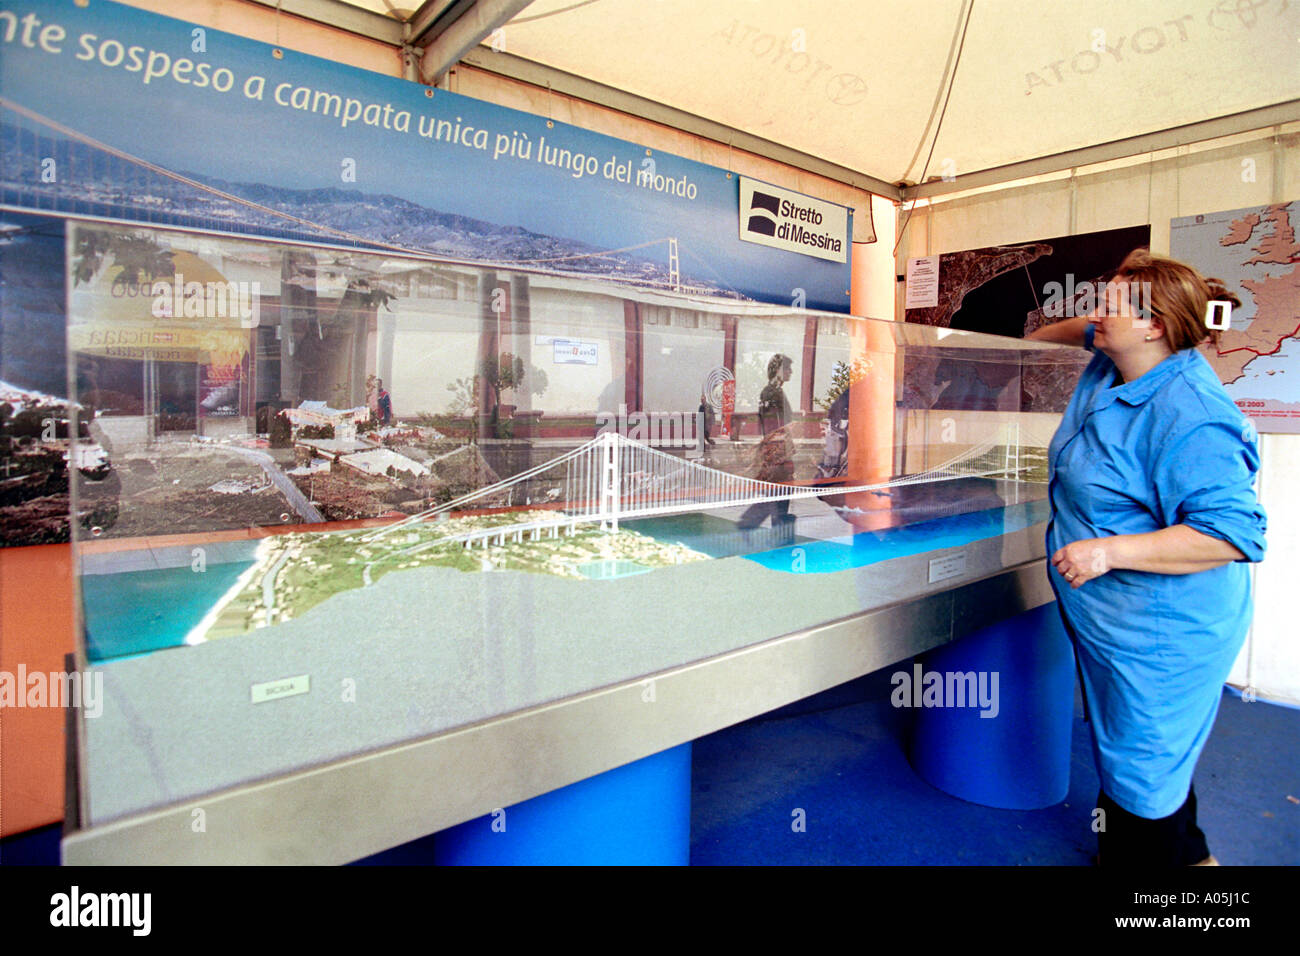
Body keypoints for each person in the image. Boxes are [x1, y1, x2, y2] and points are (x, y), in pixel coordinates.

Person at [1028, 249, 1266, 866]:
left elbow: (1231, 536)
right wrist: (1043, 339)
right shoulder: (1116, 359)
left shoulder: (1192, 414)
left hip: (1165, 629)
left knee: (1144, 767)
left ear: (1154, 325)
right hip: (1118, 622)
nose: (1094, 312)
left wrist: (1108, 551)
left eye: (1111, 304)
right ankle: (1182, 857)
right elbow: (1062, 332)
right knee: (1144, 756)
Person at [737, 353, 796, 527]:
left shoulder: (775, 391)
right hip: (777, 453)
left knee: (780, 497)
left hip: (779, 452)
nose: (790, 372)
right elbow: (772, 428)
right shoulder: (771, 393)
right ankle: (765, 529)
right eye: (787, 368)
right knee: (779, 497)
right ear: (777, 370)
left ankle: (767, 528)